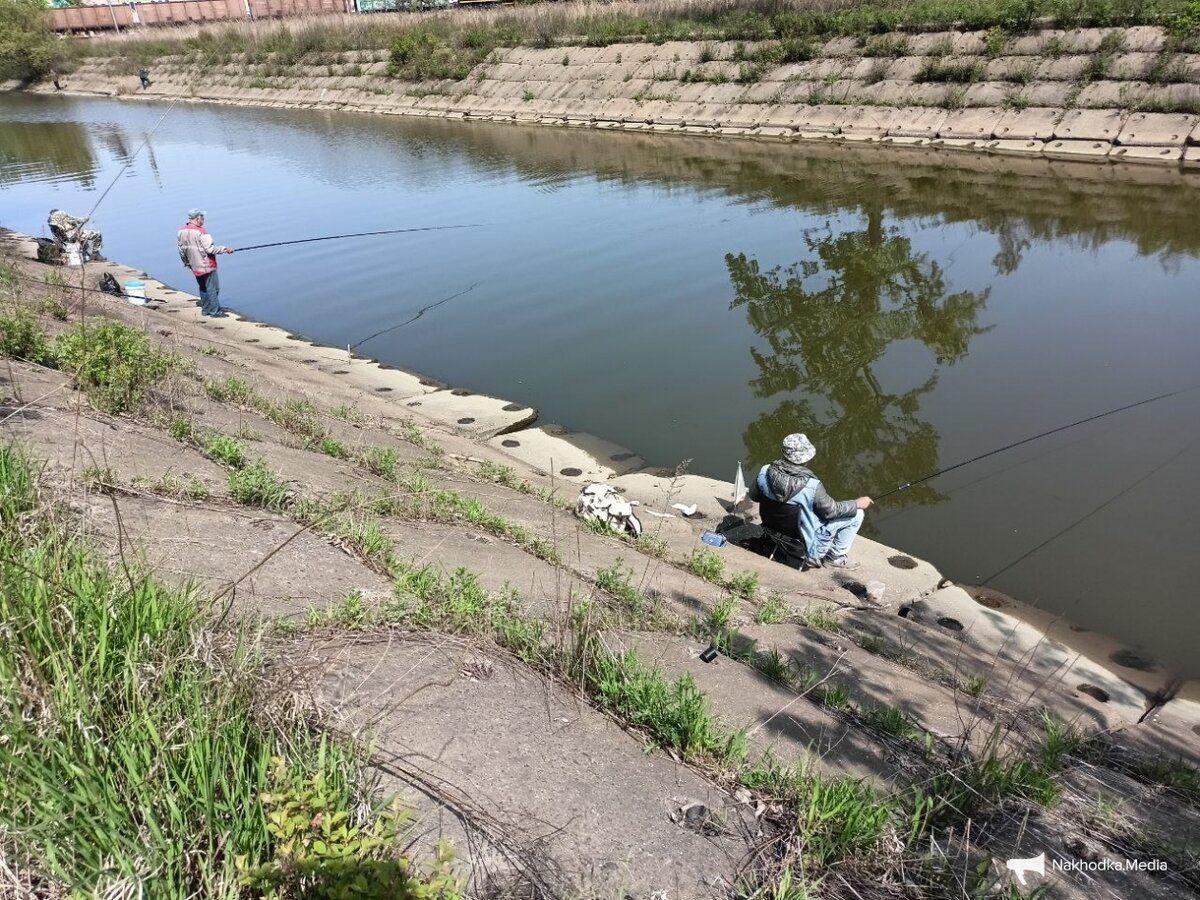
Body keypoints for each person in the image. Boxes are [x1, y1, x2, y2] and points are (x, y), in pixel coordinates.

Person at [756, 433, 873, 569]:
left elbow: (755, 496)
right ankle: (834, 557)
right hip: (803, 539)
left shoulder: (765, 471)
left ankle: (779, 543)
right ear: (807, 459)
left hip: (771, 530)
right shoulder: (812, 486)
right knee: (857, 514)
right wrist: (857, 503)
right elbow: (831, 512)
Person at [177, 209, 234, 318]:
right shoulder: (201, 232)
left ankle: (206, 309)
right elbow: (210, 249)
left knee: (203, 287)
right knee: (213, 288)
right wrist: (225, 249)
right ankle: (215, 311)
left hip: (194, 265)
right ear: (197, 218)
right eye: (202, 217)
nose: (203, 219)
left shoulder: (181, 231)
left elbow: (181, 250)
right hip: (207, 265)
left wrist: (186, 263)